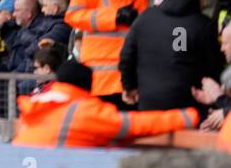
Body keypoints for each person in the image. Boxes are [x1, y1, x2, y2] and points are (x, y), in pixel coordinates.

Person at [13, 60, 199, 147]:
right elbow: (136, 124)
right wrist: (189, 116)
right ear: (87, 86)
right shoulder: (84, 111)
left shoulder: (38, 103)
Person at [119, 0, 222, 111]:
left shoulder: (146, 17)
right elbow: (213, 66)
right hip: (188, 106)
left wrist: (129, 86)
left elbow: (126, 56)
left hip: (148, 102)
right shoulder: (202, 24)